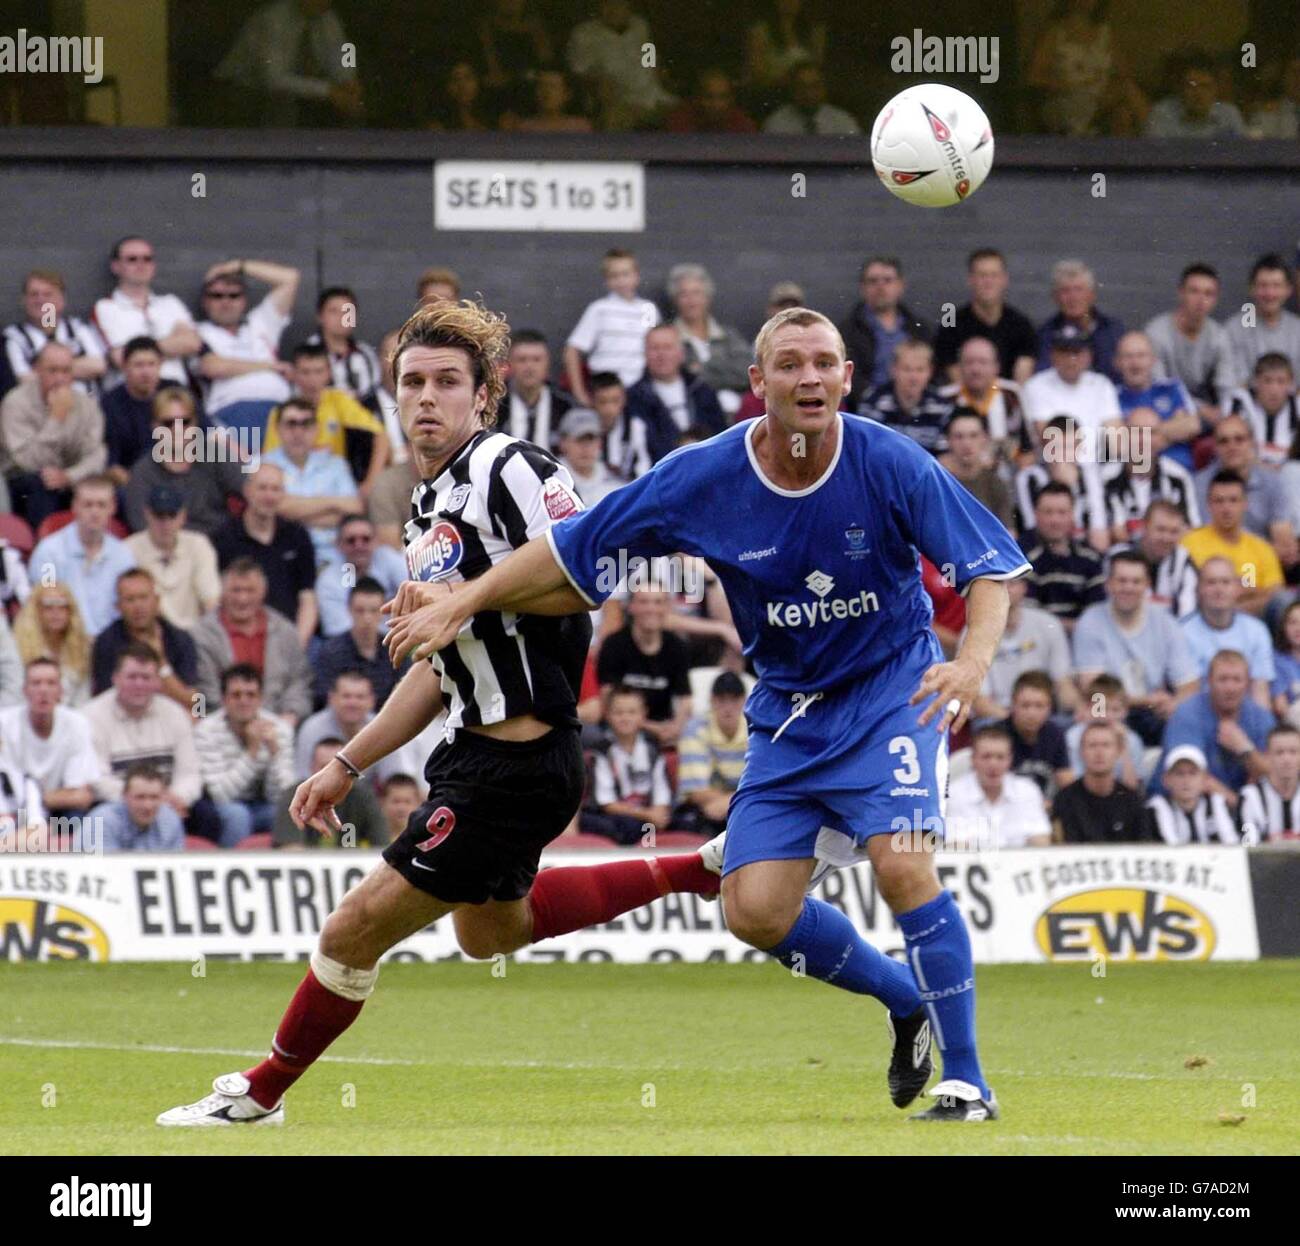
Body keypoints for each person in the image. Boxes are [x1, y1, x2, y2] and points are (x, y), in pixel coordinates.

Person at [384, 303, 1038, 1123]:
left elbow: (988, 570)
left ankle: (969, 1082)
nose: (810, 377)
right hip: (786, 716)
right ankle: (908, 1002)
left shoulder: (889, 460)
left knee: (903, 862)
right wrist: (466, 598)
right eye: (790, 364)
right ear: (757, 383)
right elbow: (572, 549)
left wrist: (971, 663)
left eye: (825, 363)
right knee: (754, 911)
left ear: (845, 377)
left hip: (891, 692)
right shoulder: (704, 476)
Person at [158, 300, 727, 1126]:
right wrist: (346, 760)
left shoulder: (511, 467)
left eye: (446, 382)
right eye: (412, 383)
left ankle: (260, 1093)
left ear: (485, 394)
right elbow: (438, 667)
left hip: (520, 761)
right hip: (474, 753)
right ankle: (696, 870)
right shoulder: (427, 508)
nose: (426, 397)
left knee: (352, 930)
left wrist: (462, 598)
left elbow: (586, 576)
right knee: (490, 934)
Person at [1071, 549, 1200, 743]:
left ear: (1147, 585)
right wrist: (1147, 701)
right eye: (1122, 581)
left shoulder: (1165, 622)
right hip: (1109, 713)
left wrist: (1174, 703)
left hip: (1156, 714)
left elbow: (1189, 684)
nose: (1128, 588)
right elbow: (1094, 690)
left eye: (1136, 581)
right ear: (1108, 584)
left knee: (1187, 723)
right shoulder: (1090, 621)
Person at [83, 643, 202, 815]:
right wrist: (142, 801)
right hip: (117, 805)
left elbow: (189, 773)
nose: (139, 684)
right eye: (132, 677)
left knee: (211, 817)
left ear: (158, 682)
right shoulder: (90, 717)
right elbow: (97, 778)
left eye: (146, 678)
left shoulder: (176, 714)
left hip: (170, 803)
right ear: (115, 679)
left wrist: (176, 798)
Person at [191, 559, 313, 727]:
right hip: (222, 725)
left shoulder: (286, 632)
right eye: (236, 590)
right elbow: (204, 691)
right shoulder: (201, 635)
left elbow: (299, 683)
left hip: (278, 724)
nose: (242, 598)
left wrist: (288, 717)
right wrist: (239, 722)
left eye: (250, 590)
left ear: (263, 592)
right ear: (223, 592)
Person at [0, 341, 107, 526]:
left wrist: (69, 477)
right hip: (22, 482)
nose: (60, 378)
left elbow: (97, 456)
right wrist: (56, 419)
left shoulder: (86, 405)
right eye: (52, 370)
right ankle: (39, 550)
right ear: (37, 370)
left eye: (66, 371)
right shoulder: (16, 403)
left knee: (105, 491)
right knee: (42, 483)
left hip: (69, 478)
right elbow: (27, 462)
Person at [264, 342, 390, 497]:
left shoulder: (339, 400)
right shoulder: (282, 413)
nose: (312, 379)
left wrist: (370, 483)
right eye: (305, 372)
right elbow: (272, 462)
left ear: (329, 373)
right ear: (294, 374)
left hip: (336, 483)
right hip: (293, 487)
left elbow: (381, 436)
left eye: (318, 371)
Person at [211, 464, 319, 643]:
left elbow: (307, 599)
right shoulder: (224, 538)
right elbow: (216, 600)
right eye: (262, 488)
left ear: (283, 494)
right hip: (238, 638)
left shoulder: (298, 536)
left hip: (289, 638)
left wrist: (297, 646)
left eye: (275, 489)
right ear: (247, 491)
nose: (269, 496)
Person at [214, 0, 364, 127]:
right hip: (241, 89)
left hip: (292, 93)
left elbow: (344, 49)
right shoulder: (273, 19)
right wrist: (330, 92)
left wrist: (348, 78)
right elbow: (273, 79)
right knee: (280, 105)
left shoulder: (328, 18)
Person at [194, 663, 296, 847]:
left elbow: (283, 795)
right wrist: (252, 752)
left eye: (251, 695)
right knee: (237, 815)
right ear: (224, 699)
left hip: (263, 804)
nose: (244, 701)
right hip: (221, 807)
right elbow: (220, 795)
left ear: (260, 699)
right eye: (236, 695)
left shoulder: (280, 730)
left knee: (286, 811)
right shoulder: (207, 731)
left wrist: (274, 753)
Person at [121, 386, 245, 536]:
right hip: (171, 548)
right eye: (168, 423)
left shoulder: (215, 453)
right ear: (154, 427)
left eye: (184, 422)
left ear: (195, 425)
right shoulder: (142, 472)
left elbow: (251, 491)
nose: (177, 429)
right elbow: (141, 526)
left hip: (221, 544)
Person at [195, 258, 299, 435]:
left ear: (244, 301)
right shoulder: (198, 331)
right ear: (205, 302)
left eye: (233, 295)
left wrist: (238, 266)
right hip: (232, 411)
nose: (226, 302)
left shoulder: (260, 322)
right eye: (217, 296)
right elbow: (213, 367)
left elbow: (290, 279)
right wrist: (271, 366)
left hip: (282, 409)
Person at [1157, 649, 1276, 802]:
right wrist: (1240, 809)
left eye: (1237, 680)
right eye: (1223, 679)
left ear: (1247, 684)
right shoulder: (1187, 714)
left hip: (1240, 807)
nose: (1230, 688)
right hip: (1184, 805)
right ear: (1209, 682)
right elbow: (1187, 775)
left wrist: (1246, 750)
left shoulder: (1260, 716)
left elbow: (1275, 773)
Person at [27, 475, 136, 637]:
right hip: (64, 642)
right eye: (88, 505)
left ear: (112, 508)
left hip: (111, 646)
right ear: (74, 506)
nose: (94, 512)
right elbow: (45, 604)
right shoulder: (48, 554)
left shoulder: (124, 556)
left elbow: (128, 608)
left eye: (101, 505)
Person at [264, 396, 363, 563]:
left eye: (306, 424)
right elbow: (273, 510)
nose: (298, 432)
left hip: (335, 556)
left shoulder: (336, 464)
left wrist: (293, 510)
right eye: (291, 424)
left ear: (317, 429)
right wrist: (334, 503)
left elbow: (354, 509)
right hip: (284, 555)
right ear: (278, 428)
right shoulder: (263, 465)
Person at [0, 657, 101, 818]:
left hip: (59, 811)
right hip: (13, 812)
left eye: (51, 683)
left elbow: (82, 796)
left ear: (61, 691)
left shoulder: (77, 723)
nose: (43, 690)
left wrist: (35, 799)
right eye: (36, 683)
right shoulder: (4, 724)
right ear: (24, 690)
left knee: (79, 817)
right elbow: (7, 793)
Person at [92, 236, 200, 385]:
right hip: (132, 395)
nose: (141, 265)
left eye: (147, 259)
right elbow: (119, 357)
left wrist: (138, 350)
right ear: (115, 266)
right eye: (132, 259)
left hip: (176, 394)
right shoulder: (106, 308)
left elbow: (192, 344)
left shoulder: (171, 303)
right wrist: (172, 343)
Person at [595, 588, 692, 748]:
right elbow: (608, 700)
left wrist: (676, 727)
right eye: (644, 602)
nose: (651, 609)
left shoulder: (677, 646)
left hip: (666, 728)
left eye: (658, 602)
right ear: (631, 606)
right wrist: (650, 727)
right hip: (622, 727)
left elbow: (685, 699)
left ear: (667, 607)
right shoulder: (613, 645)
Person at [91, 567, 199, 707]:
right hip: (122, 717)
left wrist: (161, 663)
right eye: (130, 599)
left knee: (198, 716)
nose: (138, 606)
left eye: (143, 597)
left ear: (157, 601)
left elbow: (197, 703)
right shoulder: (106, 642)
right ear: (118, 607)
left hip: (169, 716)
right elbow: (102, 699)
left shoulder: (180, 639)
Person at [1181, 470, 1284, 617]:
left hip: (1253, 624)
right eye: (1219, 501)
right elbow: (1192, 593)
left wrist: (1232, 606)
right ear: (1209, 505)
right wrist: (1249, 591)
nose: (1226, 508)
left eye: (1233, 500)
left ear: (1245, 504)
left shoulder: (1261, 548)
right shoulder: (1189, 544)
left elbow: (1275, 594)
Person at [563, 248, 660, 404]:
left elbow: (657, 347)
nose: (621, 281)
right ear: (606, 280)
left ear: (637, 276)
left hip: (641, 389)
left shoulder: (648, 309)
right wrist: (580, 393)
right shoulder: (599, 309)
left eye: (626, 274)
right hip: (605, 389)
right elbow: (572, 350)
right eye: (614, 276)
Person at [970, 575, 1074, 719]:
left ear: (1024, 587)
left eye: (1012, 583)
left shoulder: (1048, 624)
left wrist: (1080, 710)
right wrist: (1016, 724)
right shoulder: (973, 632)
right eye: (998, 584)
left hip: (1042, 713)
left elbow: (1063, 682)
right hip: (996, 717)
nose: (1005, 589)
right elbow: (980, 702)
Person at [1143, 263, 1238, 421]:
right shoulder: (1156, 333)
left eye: (1209, 294)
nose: (1201, 300)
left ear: (1216, 299)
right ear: (1181, 293)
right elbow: (1159, 386)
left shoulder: (1219, 335)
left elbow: (1226, 386)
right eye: (1194, 291)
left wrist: (1225, 414)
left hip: (1206, 415)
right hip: (1163, 409)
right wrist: (1199, 409)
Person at [581, 685, 673, 843]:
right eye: (619, 713)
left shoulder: (653, 751)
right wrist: (647, 814)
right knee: (625, 827)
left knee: (682, 822)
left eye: (631, 712)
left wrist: (658, 813)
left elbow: (661, 795)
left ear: (643, 714)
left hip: (647, 817)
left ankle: (651, 854)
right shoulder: (600, 752)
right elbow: (607, 803)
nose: (625, 718)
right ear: (608, 715)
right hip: (615, 817)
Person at [933, 249, 1038, 386]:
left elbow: (1021, 382)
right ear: (970, 280)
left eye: (994, 275)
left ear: (1004, 280)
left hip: (1006, 403)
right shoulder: (950, 322)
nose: (988, 282)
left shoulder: (1021, 325)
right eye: (982, 275)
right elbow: (955, 378)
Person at [123, 485, 222, 629]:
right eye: (159, 516)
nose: (166, 524)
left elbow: (211, 600)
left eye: (172, 515)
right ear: (147, 514)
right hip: (149, 634)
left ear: (182, 516)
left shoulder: (198, 545)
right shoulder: (128, 550)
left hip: (196, 635)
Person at [565, 0, 675, 130]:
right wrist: (599, 85)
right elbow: (579, 72)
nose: (613, 9)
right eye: (607, 4)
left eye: (619, 4)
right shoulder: (583, 34)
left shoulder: (640, 25)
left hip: (655, 96)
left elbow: (650, 60)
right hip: (619, 100)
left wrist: (660, 73)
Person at [1179, 557, 1275, 705]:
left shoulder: (1257, 631)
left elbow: (1260, 692)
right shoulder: (1181, 632)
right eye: (1211, 582)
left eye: (1226, 582)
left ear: (1237, 588)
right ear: (1198, 589)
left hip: (1246, 713)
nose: (1219, 589)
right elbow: (1188, 695)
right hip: (1199, 713)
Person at [624, 324, 726, 463]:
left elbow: (721, 436)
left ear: (681, 353)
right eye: (655, 348)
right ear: (645, 353)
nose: (661, 354)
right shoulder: (633, 397)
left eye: (667, 347)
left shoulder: (702, 390)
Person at [839, 256, 932, 407]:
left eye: (888, 280)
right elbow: (849, 377)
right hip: (866, 409)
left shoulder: (920, 329)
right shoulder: (847, 332)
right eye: (873, 281)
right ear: (862, 287)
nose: (880, 287)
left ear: (901, 285)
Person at [944, 723, 1051, 849]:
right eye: (986, 757)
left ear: (1010, 760)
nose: (993, 764)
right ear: (973, 760)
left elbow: (1042, 840)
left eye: (1000, 757)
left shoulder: (1028, 790)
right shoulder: (954, 794)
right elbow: (954, 847)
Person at [4, 269, 106, 399]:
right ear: (24, 300)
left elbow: (99, 366)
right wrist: (77, 367)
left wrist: (45, 371)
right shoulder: (14, 337)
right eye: (34, 294)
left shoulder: (78, 327)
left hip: (86, 409)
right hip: (39, 412)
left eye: (48, 294)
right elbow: (24, 380)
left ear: (61, 300)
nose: (40, 300)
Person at [1020, 480, 1106, 634]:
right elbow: (1029, 618)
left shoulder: (1090, 558)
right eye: (1048, 512)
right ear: (1036, 514)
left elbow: (1098, 614)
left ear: (1072, 515)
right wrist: (1074, 627)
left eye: (1062, 512)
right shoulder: (1022, 557)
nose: (1055, 520)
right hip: (1038, 642)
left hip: (1084, 642)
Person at [1101, 407, 1199, 541]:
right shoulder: (1104, 478)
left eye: (1152, 433)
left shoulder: (1178, 477)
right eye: (1137, 432)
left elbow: (1192, 530)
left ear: (1161, 439)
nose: (1144, 440)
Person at [667, 263, 752, 414]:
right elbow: (680, 380)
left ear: (707, 297)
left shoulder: (728, 336)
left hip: (736, 419)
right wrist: (724, 370)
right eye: (684, 294)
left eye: (697, 293)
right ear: (675, 299)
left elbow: (747, 373)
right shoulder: (670, 338)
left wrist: (702, 370)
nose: (691, 300)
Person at [272, 738, 386, 849]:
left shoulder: (363, 797)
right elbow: (290, 852)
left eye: (338, 769)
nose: (330, 775)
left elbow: (381, 846)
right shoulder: (295, 796)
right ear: (311, 768)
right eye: (323, 767)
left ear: (349, 771)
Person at [1114, 330, 1201, 472]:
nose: (1135, 363)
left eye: (1141, 356)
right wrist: (1168, 432)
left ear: (1153, 360)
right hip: (1132, 477)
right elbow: (1116, 442)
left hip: (1179, 471)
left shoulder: (1172, 388)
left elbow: (1192, 426)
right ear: (1117, 363)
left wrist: (1138, 435)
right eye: (1128, 356)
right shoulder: (1111, 396)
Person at [674, 671, 748, 837]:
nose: (728, 708)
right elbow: (696, 791)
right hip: (705, 808)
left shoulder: (757, 730)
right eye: (722, 700)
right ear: (712, 701)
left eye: (734, 700)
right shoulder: (695, 730)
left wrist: (730, 801)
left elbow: (765, 785)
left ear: (744, 701)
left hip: (743, 805)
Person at [1051, 722, 1152, 843]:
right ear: (1081, 752)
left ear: (1118, 752)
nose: (1099, 753)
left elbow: (1144, 847)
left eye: (1106, 745)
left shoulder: (1133, 801)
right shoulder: (1065, 800)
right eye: (1092, 745)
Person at [315, 579, 402, 709]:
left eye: (373, 611)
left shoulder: (396, 650)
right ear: (349, 609)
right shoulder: (331, 653)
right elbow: (323, 696)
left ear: (383, 612)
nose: (367, 618)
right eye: (360, 610)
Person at [1022, 323, 1122, 436]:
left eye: (1077, 352)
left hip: (1096, 454)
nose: (1071, 360)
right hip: (1053, 452)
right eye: (1064, 353)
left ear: (1089, 355)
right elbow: (1049, 438)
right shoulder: (1036, 385)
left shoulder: (1102, 384)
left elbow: (1116, 436)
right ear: (1052, 355)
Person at [858, 340, 953, 457]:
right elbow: (867, 448)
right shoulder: (873, 400)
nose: (913, 377)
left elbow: (943, 455)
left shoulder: (942, 406)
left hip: (926, 470)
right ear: (894, 370)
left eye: (920, 370)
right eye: (907, 369)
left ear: (930, 372)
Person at [315, 514, 406, 637]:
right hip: (349, 649)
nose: (359, 546)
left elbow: (415, 591)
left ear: (376, 541)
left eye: (366, 539)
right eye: (351, 540)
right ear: (338, 544)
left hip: (397, 639)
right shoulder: (329, 581)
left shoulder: (389, 559)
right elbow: (339, 631)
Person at [1107, 498, 1199, 620]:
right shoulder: (1117, 557)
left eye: (1174, 531)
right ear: (1144, 527)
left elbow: (1188, 613)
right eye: (1161, 529)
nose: (1166, 538)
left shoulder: (1184, 560)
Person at [1034, 260, 1125, 382]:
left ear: (1092, 295)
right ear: (1055, 297)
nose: (1073, 297)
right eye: (1065, 290)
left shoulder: (1113, 330)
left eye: (1079, 289)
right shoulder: (1046, 334)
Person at [1221, 254, 1300, 383]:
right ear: (1252, 288)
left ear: (1288, 290)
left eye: (1276, 285)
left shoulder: (1297, 328)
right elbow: (1232, 381)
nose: (1270, 293)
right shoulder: (1235, 328)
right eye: (1263, 285)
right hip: (1247, 401)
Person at [11, 584, 93, 707]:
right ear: (36, 612)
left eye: (63, 607)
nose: (56, 613)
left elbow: (83, 697)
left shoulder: (82, 649)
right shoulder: (17, 648)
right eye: (48, 607)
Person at [304, 286, 382, 413]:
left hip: (361, 420)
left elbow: (374, 392)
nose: (341, 317)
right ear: (320, 317)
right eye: (333, 311)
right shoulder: (307, 352)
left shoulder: (366, 354)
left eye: (347, 312)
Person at [1003, 670, 1074, 801]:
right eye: (1025, 705)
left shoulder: (1055, 734)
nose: (1032, 713)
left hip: (1047, 811)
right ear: (1013, 705)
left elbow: (1066, 781)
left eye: (1039, 706)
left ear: (1050, 707)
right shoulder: (998, 735)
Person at [1146, 744, 1238, 845]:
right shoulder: (1157, 807)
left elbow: (1231, 844)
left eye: (1192, 773)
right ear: (1166, 780)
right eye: (1179, 774)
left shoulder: (1217, 803)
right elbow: (1168, 847)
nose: (1186, 781)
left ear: (1204, 779)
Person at [101, 337, 163, 485]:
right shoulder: (110, 405)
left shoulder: (175, 391)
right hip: (132, 482)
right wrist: (139, 488)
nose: (146, 372)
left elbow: (210, 434)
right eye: (138, 365)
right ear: (124, 367)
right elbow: (112, 466)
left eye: (151, 364)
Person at [1064, 674, 1144, 788]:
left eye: (1116, 710)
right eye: (1102, 708)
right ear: (1090, 707)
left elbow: (1132, 789)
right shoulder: (1073, 737)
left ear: (1125, 711)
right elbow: (1072, 782)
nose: (1109, 716)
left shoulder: (1132, 740)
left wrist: (1123, 747)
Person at [938, 410, 1014, 530]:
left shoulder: (995, 484)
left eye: (973, 436)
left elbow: (1009, 534)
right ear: (949, 441)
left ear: (984, 439)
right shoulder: (938, 484)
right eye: (959, 437)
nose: (966, 444)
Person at [1145, 50, 1247, 137]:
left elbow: (1241, 154)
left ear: (1216, 89)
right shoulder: (1162, 115)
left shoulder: (1229, 114)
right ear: (1180, 89)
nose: (1198, 94)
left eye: (1205, 86)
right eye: (1191, 86)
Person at [501, 329, 573, 452]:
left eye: (536, 359)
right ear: (509, 364)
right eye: (522, 360)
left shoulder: (565, 406)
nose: (530, 367)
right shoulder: (495, 406)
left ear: (547, 363)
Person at [91, 763, 186, 853]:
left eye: (154, 797)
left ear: (163, 797)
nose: (147, 806)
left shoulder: (170, 821)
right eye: (140, 797)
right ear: (124, 796)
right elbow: (102, 868)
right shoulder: (101, 822)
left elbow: (175, 867)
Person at [1223, 352, 1297, 467]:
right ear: (1256, 381)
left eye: (1281, 381)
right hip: (1247, 473)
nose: (1274, 389)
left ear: (1291, 383)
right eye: (1267, 381)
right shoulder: (1239, 403)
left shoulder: (1298, 406)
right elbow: (1230, 449)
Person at [1238, 724, 1300, 841]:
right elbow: (1248, 844)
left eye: (1293, 752)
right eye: (1279, 752)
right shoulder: (1250, 796)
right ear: (1268, 756)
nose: (1286, 759)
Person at [762, 63, 859, 136]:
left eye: (814, 86)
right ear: (792, 89)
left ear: (823, 89)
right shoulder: (776, 124)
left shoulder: (843, 121)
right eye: (801, 87)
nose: (808, 93)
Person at [556, 407, 625, 508]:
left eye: (591, 440)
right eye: (579, 440)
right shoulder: (552, 483)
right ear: (563, 443)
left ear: (600, 443)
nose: (586, 448)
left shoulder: (616, 486)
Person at [664, 68, 756, 134]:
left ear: (731, 99)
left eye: (722, 97)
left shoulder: (743, 125)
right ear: (698, 97)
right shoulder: (679, 121)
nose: (716, 105)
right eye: (709, 97)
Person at [1272, 598, 1300, 720]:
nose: (1298, 628)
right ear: (1283, 627)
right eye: (1292, 622)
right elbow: (1281, 707)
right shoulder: (1276, 661)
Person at [378, 773, 422, 845]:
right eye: (396, 801)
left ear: (418, 804)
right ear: (382, 803)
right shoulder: (370, 840)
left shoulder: (427, 842)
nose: (401, 808)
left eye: (407, 802)